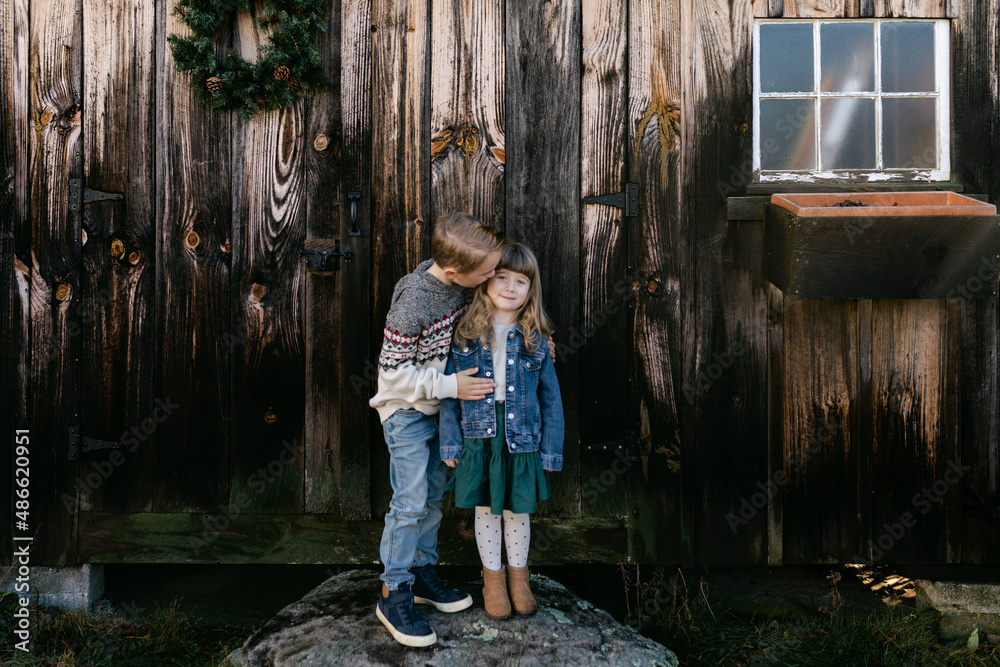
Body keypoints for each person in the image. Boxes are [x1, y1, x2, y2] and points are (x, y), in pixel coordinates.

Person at [370, 212, 502, 647]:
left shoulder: (464, 287)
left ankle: (422, 573)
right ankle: (394, 591)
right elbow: (391, 375)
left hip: (442, 412)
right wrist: (449, 385)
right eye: (486, 272)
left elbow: (496, 316)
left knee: (432, 496)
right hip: (406, 411)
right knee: (409, 501)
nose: (493, 277)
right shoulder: (414, 300)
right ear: (452, 273)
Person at [439, 241, 565, 619]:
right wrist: (450, 442)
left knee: (517, 512)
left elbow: (551, 399)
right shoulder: (464, 336)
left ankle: (519, 578)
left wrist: (551, 449)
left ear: (531, 290)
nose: (510, 287)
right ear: (485, 282)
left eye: (521, 282)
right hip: (481, 438)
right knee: (486, 511)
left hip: (521, 439)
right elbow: (450, 394)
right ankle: (492, 580)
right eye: (502, 278)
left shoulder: (536, 340)